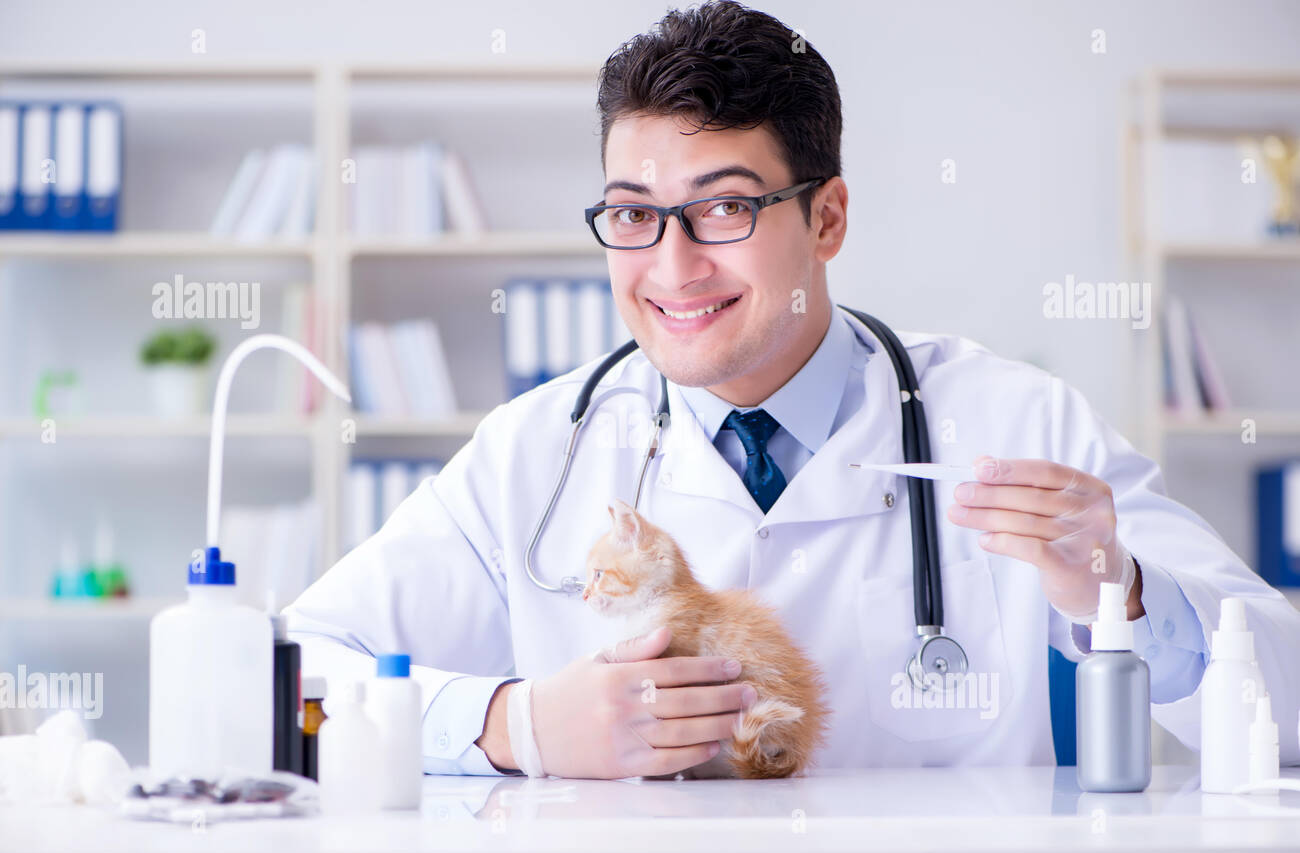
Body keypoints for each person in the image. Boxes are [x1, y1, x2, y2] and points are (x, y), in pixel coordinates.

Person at [285, 0, 1300, 779]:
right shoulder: (536, 451)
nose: (672, 268)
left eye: (723, 208)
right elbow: (293, 679)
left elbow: (1284, 709)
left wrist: (1121, 589)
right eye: (633, 215)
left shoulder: (1010, 421)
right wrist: (515, 726)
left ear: (827, 219)